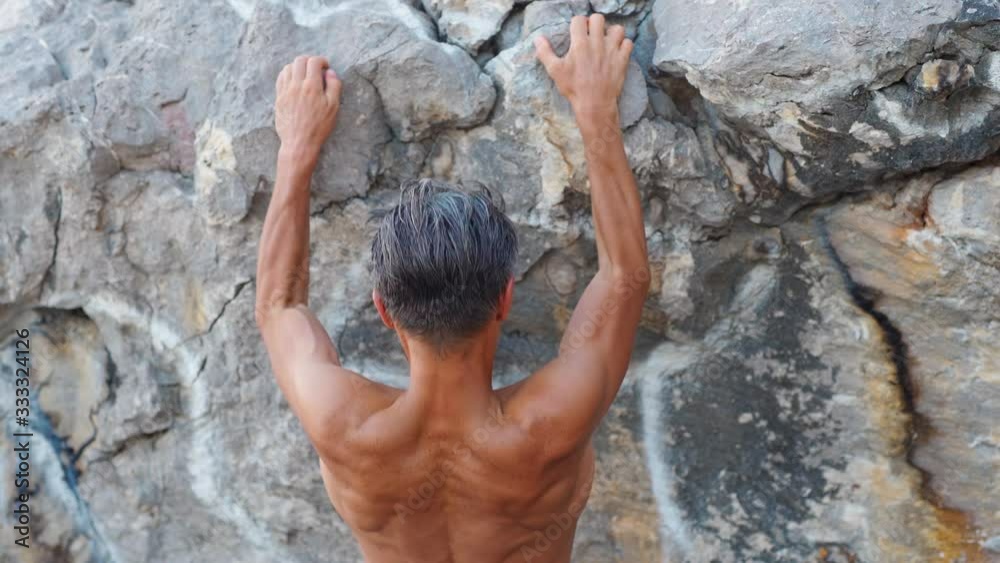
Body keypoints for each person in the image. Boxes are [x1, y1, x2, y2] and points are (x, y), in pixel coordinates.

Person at [255, 13, 649, 563]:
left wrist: (296, 150)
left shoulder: (339, 422)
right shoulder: (553, 423)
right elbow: (624, 279)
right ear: (506, 298)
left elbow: (279, 304)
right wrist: (594, 110)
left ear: (384, 310)